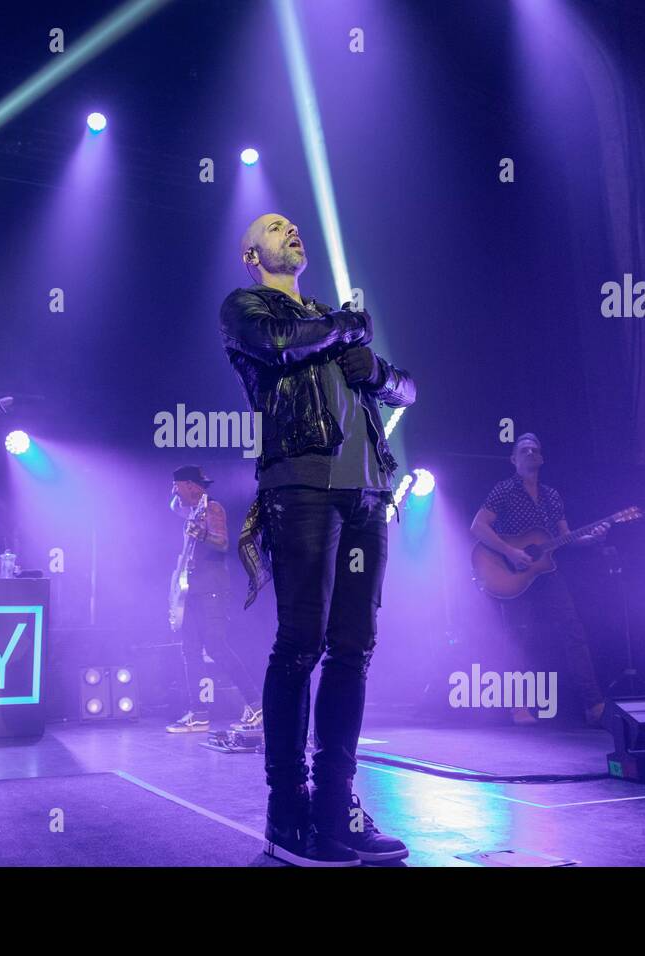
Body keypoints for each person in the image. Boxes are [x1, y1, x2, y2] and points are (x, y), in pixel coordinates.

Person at [220, 212, 415, 866]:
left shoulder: (334, 324)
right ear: (253, 253)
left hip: (366, 494)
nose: (292, 231)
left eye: (295, 226)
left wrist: (377, 374)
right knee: (299, 644)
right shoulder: (246, 306)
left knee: (352, 650)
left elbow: (408, 388)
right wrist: (344, 329)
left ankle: (337, 806)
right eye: (276, 228)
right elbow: (278, 344)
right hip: (301, 486)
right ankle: (287, 811)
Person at [470, 432, 608, 726]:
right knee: (518, 637)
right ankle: (518, 706)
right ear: (514, 459)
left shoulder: (551, 496)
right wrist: (511, 551)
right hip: (510, 574)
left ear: (541, 458)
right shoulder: (503, 490)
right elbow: (478, 526)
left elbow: (564, 537)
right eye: (524, 450)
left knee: (573, 629)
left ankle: (594, 705)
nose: (530, 452)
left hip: (545, 574)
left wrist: (591, 538)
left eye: (535, 449)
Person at [165, 465, 263, 735]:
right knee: (190, 651)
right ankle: (197, 713)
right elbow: (173, 504)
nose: (174, 490)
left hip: (211, 591)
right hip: (191, 592)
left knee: (216, 647)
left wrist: (203, 534)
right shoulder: (193, 509)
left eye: (178, 484)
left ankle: (256, 704)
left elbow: (223, 544)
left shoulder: (213, 509)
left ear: (191, 486)